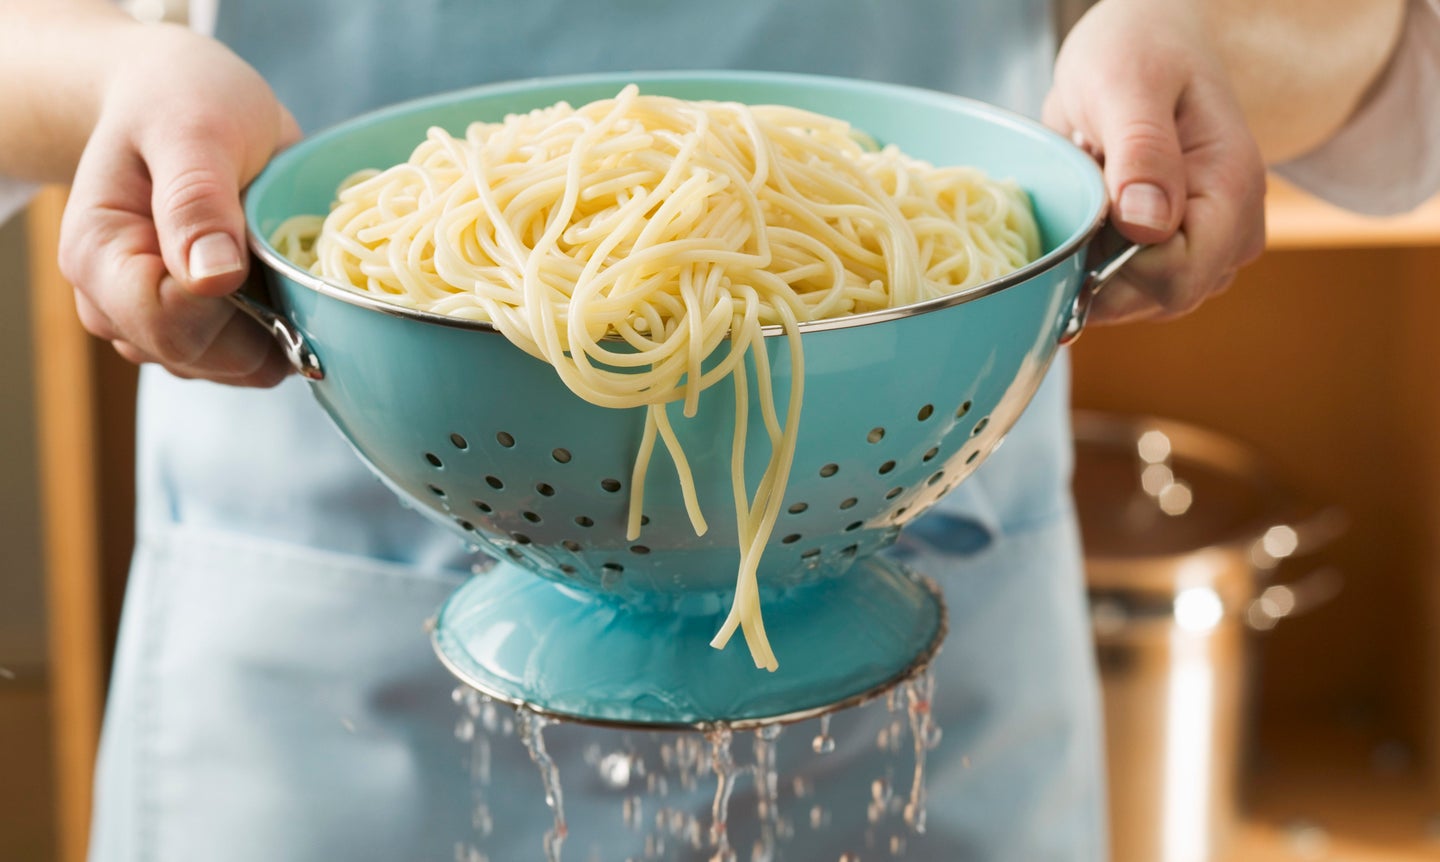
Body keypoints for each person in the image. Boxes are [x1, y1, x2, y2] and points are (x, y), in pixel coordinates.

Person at [0, 1, 1422, 859]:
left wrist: (1193, 33)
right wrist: (122, 79)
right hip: (327, 644)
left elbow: (1392, 42)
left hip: (914, 530)